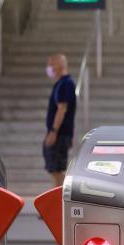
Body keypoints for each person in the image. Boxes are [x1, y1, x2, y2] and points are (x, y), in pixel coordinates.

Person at [43, 54, 76, 188]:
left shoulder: (65, 84)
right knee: (55, 170)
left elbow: (62, 108)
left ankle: (61, 202)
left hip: (60, 134)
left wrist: (53, 131)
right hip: (60, 133)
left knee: (57, 170)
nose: (49, 68)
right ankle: (59, 201)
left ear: (61, 65)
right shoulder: (61, 84)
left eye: (52, 65)